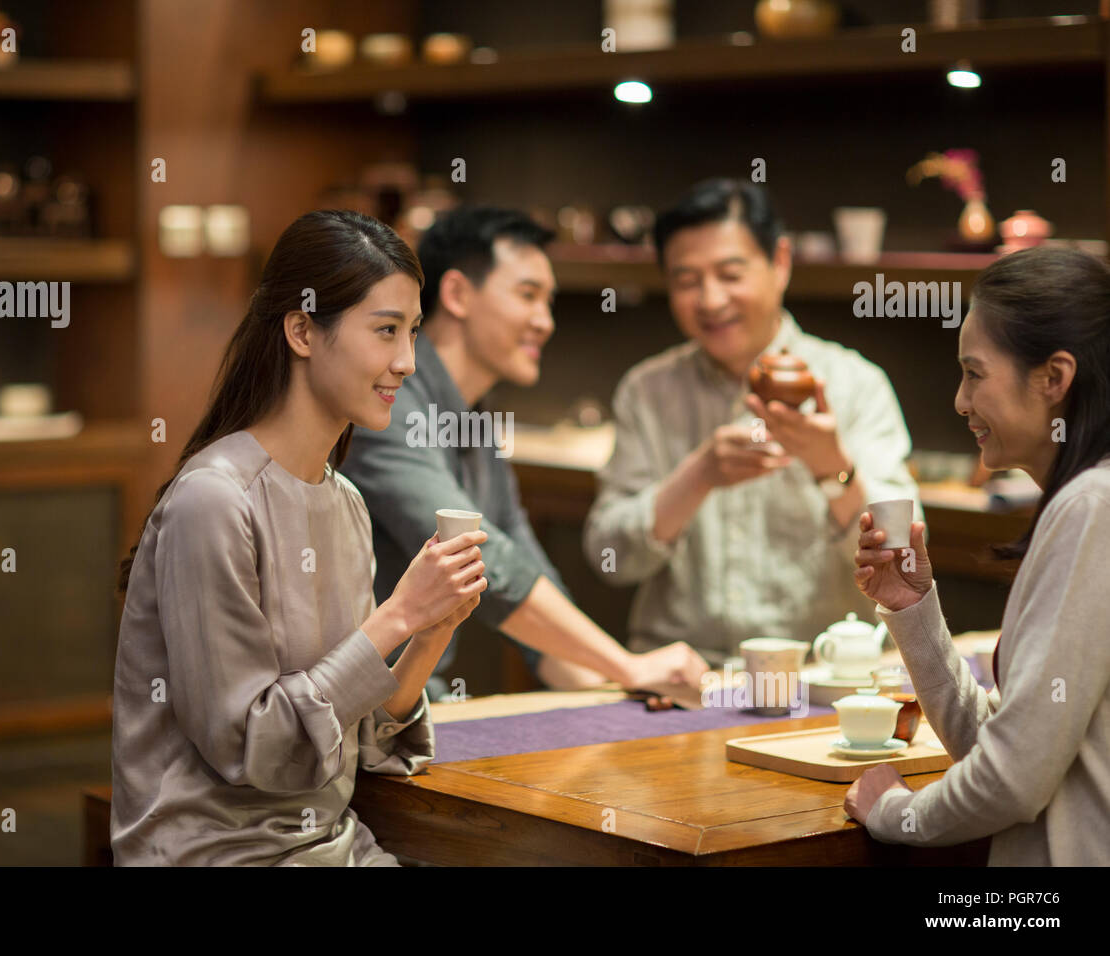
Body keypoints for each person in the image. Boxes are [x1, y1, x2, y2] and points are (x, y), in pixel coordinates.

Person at [110, 210, 488, 866]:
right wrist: (397, 616)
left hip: (331, 846)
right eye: (386, 330)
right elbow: (250, 748)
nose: (406, 362)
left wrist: (430, 632)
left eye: (413, 332)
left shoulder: (345, 503)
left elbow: (355, 737)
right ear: (303, 330)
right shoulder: (213, 500)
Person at [341, 206, 708, 699]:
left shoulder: (475, 418)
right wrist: (627, 667)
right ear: (457, 294)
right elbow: (486, 562)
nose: (545, 322)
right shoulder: (389, 405)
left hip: (417, 702)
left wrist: (614, 687)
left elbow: (523, 562)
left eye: (548, 302)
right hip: (350, 708)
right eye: (528, 295)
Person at [584, 179, 921, 666]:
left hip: (818, 673)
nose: (710, 299)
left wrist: (833, 469)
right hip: (684, 674)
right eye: (686, 280)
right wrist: (697, 476)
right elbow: (609, 558)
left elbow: (905, 555)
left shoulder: (854, 383)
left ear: (780, 262)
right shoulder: (647, 391)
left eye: (730, 274)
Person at [845, 246, 1110, 865]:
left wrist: (895, 812)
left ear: (1054, 378)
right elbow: (1003, 746)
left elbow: (1011, 782)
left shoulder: (1092, 507)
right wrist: (912, 609)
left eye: (975, 373)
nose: (961, 401)